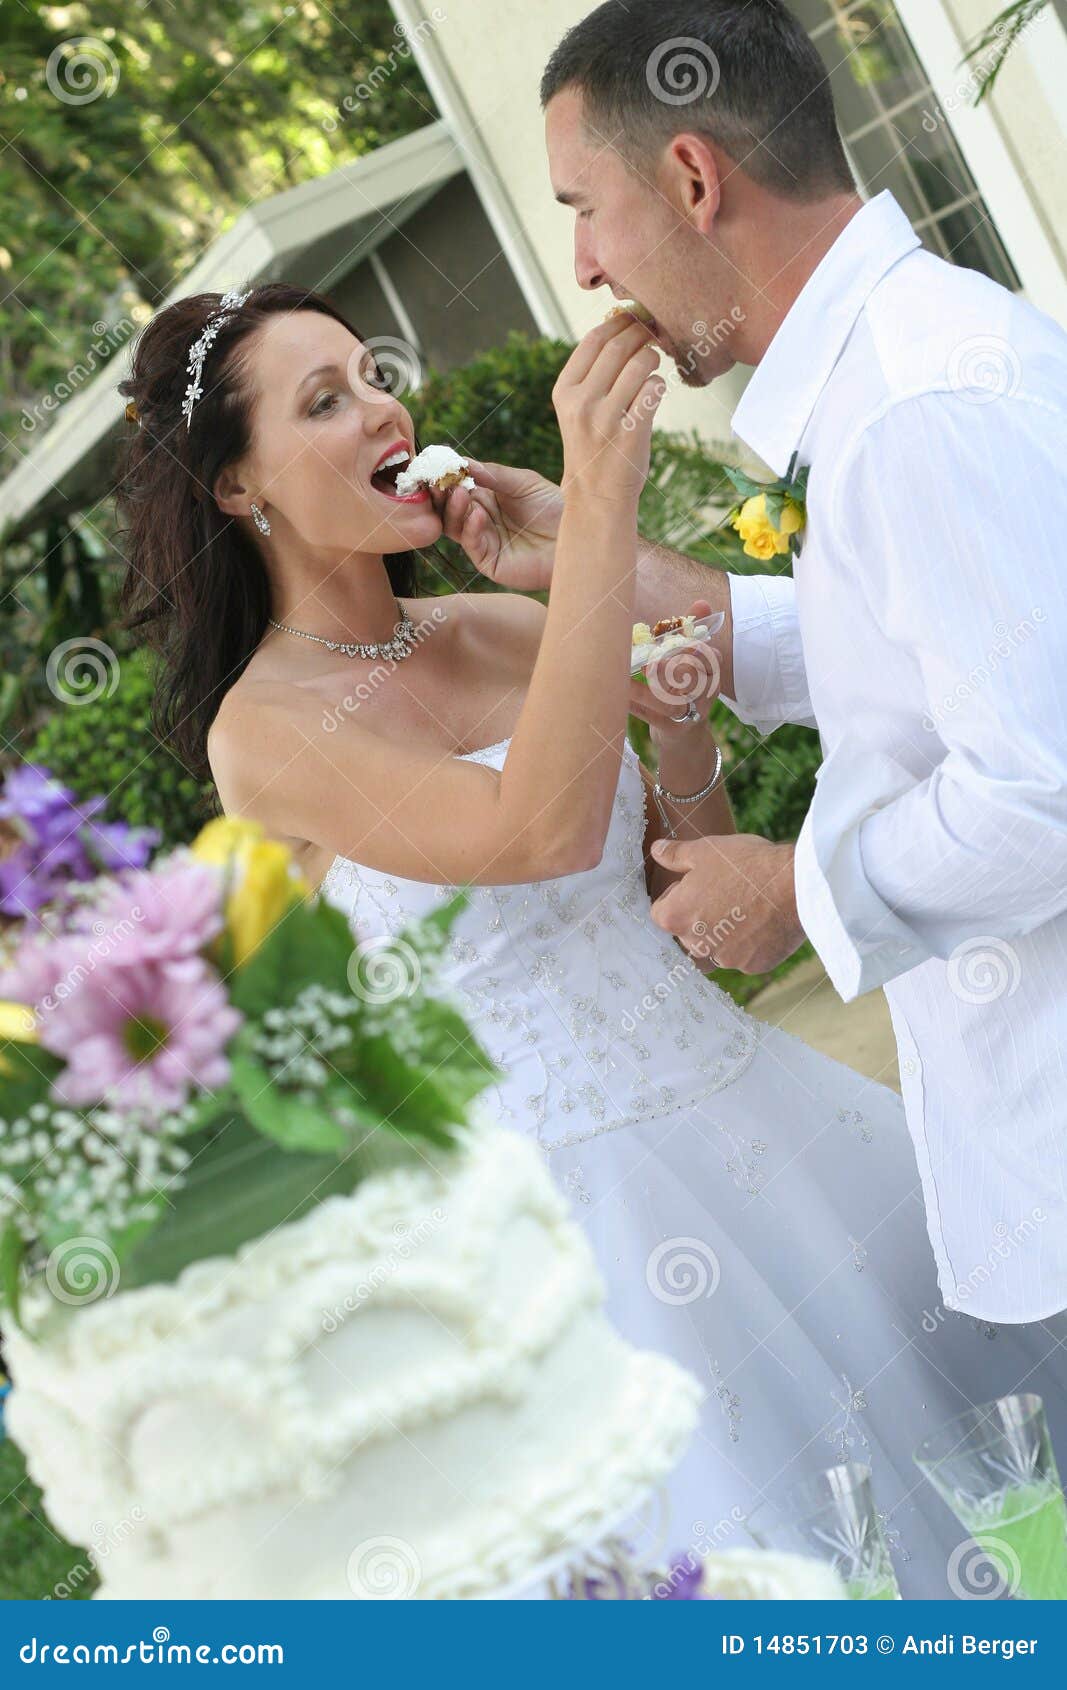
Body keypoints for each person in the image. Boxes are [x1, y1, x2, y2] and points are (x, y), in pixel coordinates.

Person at [115, 274, 1066, 1596]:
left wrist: (678, 730)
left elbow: (691, 918)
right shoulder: (263, 732)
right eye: (322, 402)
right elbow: (534, 832)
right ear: (236, 486)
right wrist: (601, 504)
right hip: (578, 1237)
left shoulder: (503, 625)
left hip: (767, 1122)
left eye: (374, 377)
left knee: (992, 1492)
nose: (381, 409)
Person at [527, 0, 1067, 1329]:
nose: (587, 269)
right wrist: (583, 548)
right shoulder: (897, 368)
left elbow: (1043, 783)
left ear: (692, 179)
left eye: (586, 210)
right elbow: (910, 652)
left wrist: (796, 891)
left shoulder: (915, 409)